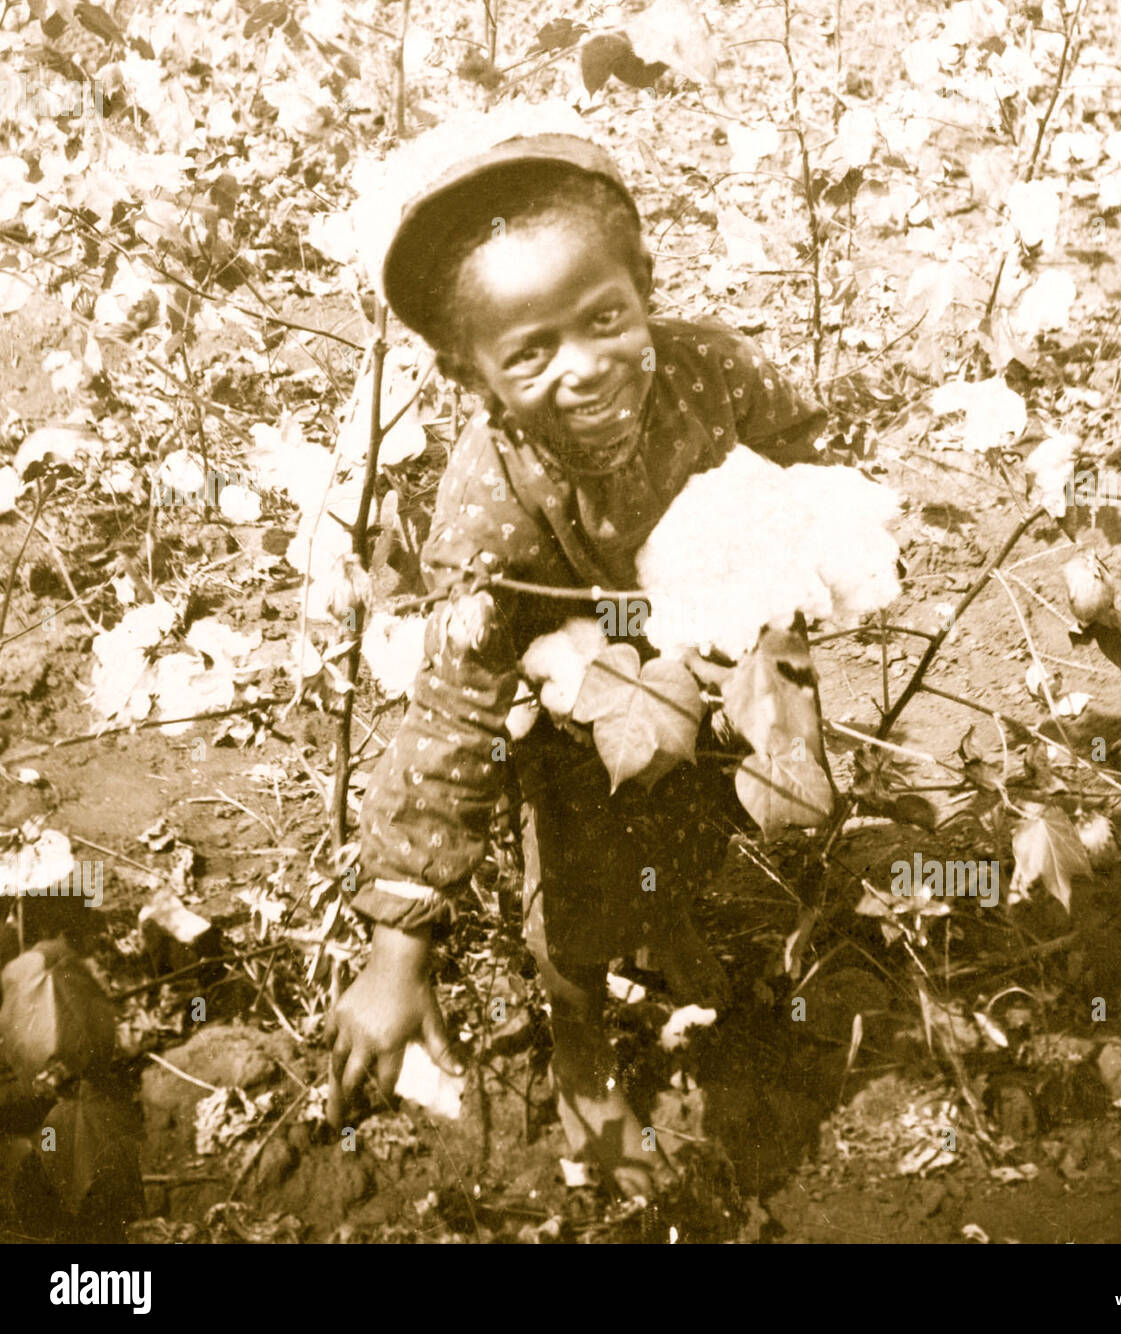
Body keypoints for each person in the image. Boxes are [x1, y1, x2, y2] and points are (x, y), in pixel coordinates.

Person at [325, 133, 829, 1198]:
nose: (586, 365)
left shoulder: (714, 369)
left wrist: (780, 589)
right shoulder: (491, 494)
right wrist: (398, 941)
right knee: (580, 899)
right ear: (472, 375)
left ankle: (674, 925)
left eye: (605, 319)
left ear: (644, 288)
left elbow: (793, 443)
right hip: (566, 710)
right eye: (531, 352)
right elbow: (456, 708)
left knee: (703, 818)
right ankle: (580, 1055)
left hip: (707, 649)